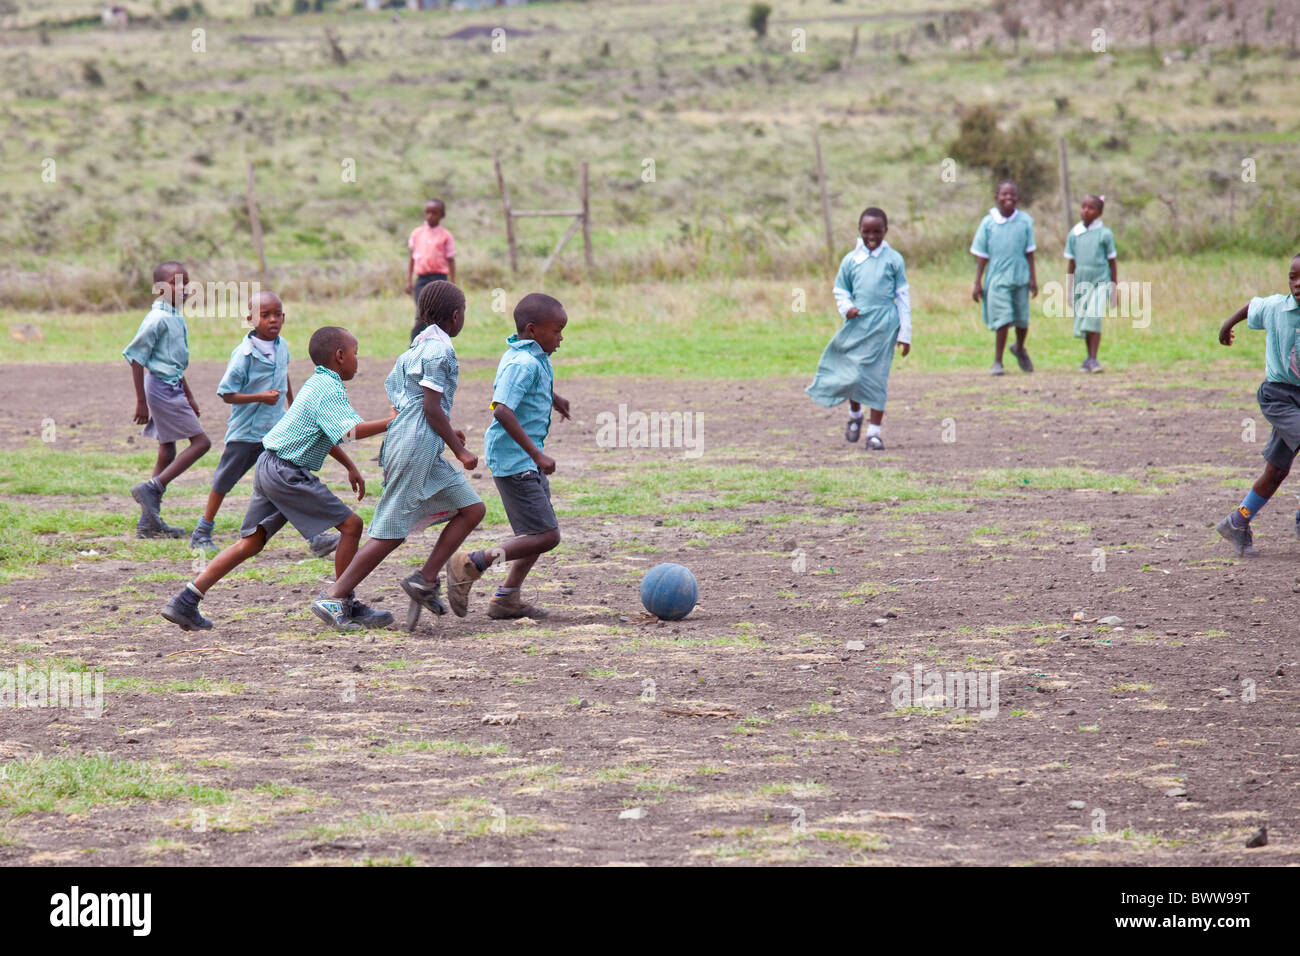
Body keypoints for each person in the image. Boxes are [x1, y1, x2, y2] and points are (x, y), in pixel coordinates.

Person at [160, 326, 396, 631]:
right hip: (287, 472)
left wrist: (349, 465)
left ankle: (185, 601)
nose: (357, 359)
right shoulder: (329, 388)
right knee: (352, 526)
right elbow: (347, 431)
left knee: (250, 543)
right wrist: (392, 422)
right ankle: (341, 601)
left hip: (270, 465)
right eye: (355, 353)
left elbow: (321, 431)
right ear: (340, 356)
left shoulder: (317, 384)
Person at [310, 282, 486, 633]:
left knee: (472, 508)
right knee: (391, 530)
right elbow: (431, 409)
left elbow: (411, 403)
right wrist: (459, 449)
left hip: (416, 441)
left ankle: (424, 578)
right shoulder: (438, 351)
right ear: (455, 316)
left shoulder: (414, 349)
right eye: (463, 313)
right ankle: (335, 595)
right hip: (415, 446)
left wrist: (446, 432)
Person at [444, 293, 571, 620]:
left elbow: (530, 385)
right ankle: (473, 562)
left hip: (523, 460)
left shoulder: (533, 356)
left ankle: (506, 598)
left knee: (535, 534)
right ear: (532, 329)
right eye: (556, 331)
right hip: (517, 461)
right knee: (546, 535)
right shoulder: (522, 362)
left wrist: (554, 398)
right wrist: (536, 454)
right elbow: (502, 410)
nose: (560, 338)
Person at [190, 290, 339, 559]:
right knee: (224, 479)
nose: (273, 320)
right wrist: (259, 397)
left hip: (277, 431)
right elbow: (226, 393)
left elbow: (284, 378)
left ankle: (316, 537)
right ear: (250, 319)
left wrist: (293, 407)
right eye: (265, 315)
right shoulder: (243, 354)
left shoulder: (282, 347)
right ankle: (202, 530)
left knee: (293, 478)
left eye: (277, 314)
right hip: (246, 432)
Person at [1215, 253, 1300, 557]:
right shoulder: (1277, 307)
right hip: (1279, 396)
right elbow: (1253, 306)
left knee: (1277, 471)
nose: (1297, 283)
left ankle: (1237, 521)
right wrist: (1226, 326)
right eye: (1293, 277)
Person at [807, 206, 912, 451]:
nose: (872, 237)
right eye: (867, 231)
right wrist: (847, 308)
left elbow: (903, 298)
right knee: (853, 374)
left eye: (878, 231)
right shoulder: (851, 260)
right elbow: (840, 289)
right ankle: (855, 414)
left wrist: (905, 334)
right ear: (859, 230)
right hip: (858, 324)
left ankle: (874, 434)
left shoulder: (894, 260)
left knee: (877, 378)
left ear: (886, 230)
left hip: (885, 326)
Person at [123, 261, 211, 538]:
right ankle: (152, 487)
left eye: (186, 281)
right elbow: (136, 358)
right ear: (160, 288)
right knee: (201, 443)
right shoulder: (157, 319)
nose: (183, 287)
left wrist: (190, 396)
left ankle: (148, 522)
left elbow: (174, 362)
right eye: (175, 282)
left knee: (167, 450)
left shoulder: (174, 315)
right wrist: (141, 402)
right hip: (160, 389)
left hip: (172, 386)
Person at [971, 181, 1038, 375]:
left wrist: (1033, 278)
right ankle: (998, 361)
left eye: (1012, 195)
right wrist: (977, 282)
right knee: (1003, 319)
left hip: (1020, 275)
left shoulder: (1025, 221)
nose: (1008, 198)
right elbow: (982, 255)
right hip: (997, 277)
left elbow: (1030, 252)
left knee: (1022, 319)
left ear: (1017, 198)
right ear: (996, 197)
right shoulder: (988, 223)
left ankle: (1019, 347)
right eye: (1004, 194)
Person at [1065, 194, 1118, 373]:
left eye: (1091, 208)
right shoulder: (1074, 234)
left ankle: (1094, 359)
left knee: (1094, 317)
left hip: (1100, 280)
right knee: (1085, 321)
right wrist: (1069, 286)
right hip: (1081, 281)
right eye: (1083, 207)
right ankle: (1088, 358)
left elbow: (1112, 262)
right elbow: (1071, 262)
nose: (1085, 211)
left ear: (1099, 213)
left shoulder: (1105, 234)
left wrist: (1113, 287)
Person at [405, 199, 456, 341]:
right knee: (422, 314)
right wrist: (409, 280)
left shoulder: (446, 235)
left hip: (439, 279)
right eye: (427, 212)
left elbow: (451, 260)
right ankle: (414, 347)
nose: (430, 216)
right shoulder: (417, 233)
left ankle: (437, 347)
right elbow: (412, 259)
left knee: (439, 316)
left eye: (434, 213)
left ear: (442, 215)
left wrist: (452, 283)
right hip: (422, 280)